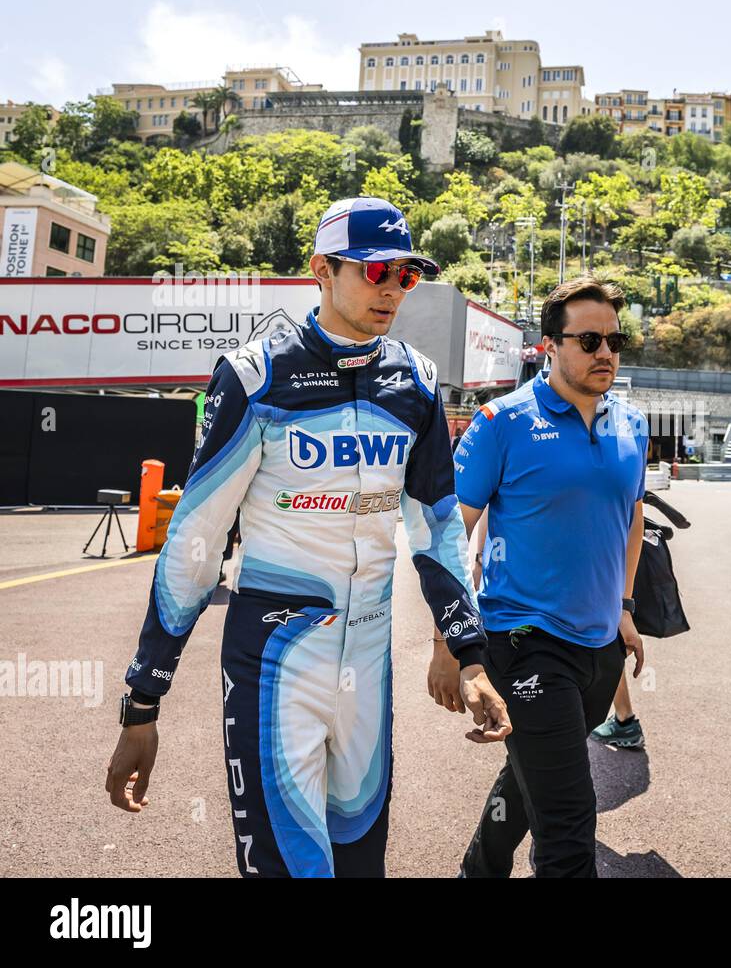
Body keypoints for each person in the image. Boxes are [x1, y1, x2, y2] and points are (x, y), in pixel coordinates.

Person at [105, 196, 511, 878]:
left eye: (405, 276)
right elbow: (196, 543)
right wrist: (143, 700)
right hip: (274, 666)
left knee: (360, 868)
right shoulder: (255, 375)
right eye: (375, 271)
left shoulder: (413, 381)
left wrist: (468, 653)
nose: (391, 290)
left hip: (367, 670)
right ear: (321, 269)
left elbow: (437, 527)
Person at [436, 275, 649, 877]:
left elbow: (631, 517)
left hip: (599, 650)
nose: (605, 352)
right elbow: (451, 532)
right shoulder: (500, 421)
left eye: (614, 340)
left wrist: (626, 608)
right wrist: (450, 644)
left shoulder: (631, 424)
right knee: (570, 820)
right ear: (550, 345)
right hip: (524, 644)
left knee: (525, 781)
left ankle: (478, 872)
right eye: (589, 340)